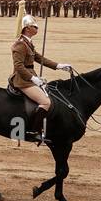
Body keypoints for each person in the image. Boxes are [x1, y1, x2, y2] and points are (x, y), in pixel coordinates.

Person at [12, 13, 72, 145]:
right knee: (46, 102)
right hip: (22, 80)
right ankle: (34, 132)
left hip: (29, 76)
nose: (37, 29)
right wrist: (33, 78)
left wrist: (59, 66)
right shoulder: (20, 44)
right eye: (34, 27)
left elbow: (39, 58)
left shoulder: (28, 43)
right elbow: (19, 66)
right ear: (27, 28)